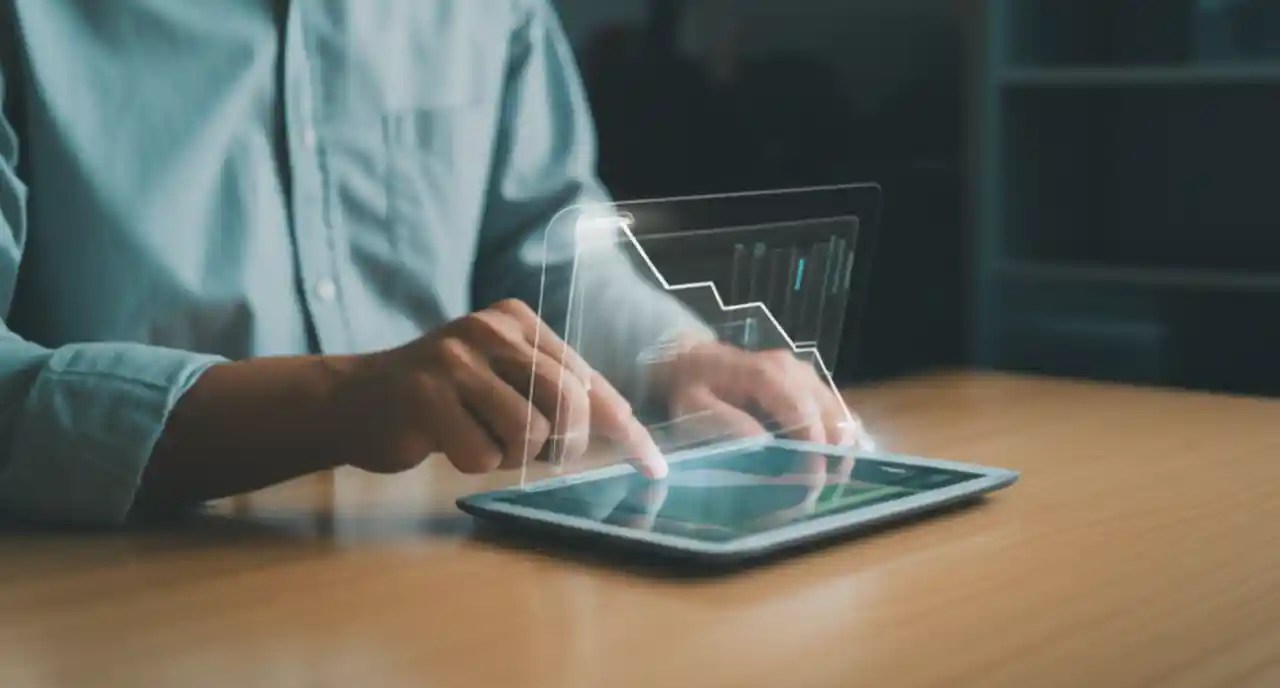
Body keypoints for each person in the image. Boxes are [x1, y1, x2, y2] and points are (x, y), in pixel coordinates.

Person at [0, 0, 859, 526]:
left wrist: (679, 357)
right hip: (101, 600)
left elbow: (545, 246)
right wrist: (339, 402)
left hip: (438, 579)